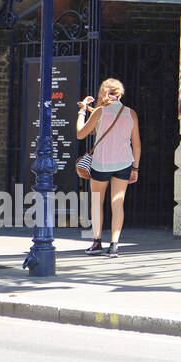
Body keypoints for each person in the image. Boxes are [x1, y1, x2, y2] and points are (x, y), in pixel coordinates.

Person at [76, 78, 141, 257]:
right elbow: (137, 145)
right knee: (117, 203)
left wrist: (82, 111)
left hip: (101, 163)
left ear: (104, 92)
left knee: (97, 201)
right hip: (124, 163)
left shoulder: (99, 112)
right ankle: (114, 245)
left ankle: (97, 242)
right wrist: (135, 168)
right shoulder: (131, 113)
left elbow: (80, 134)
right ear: (120, 93)